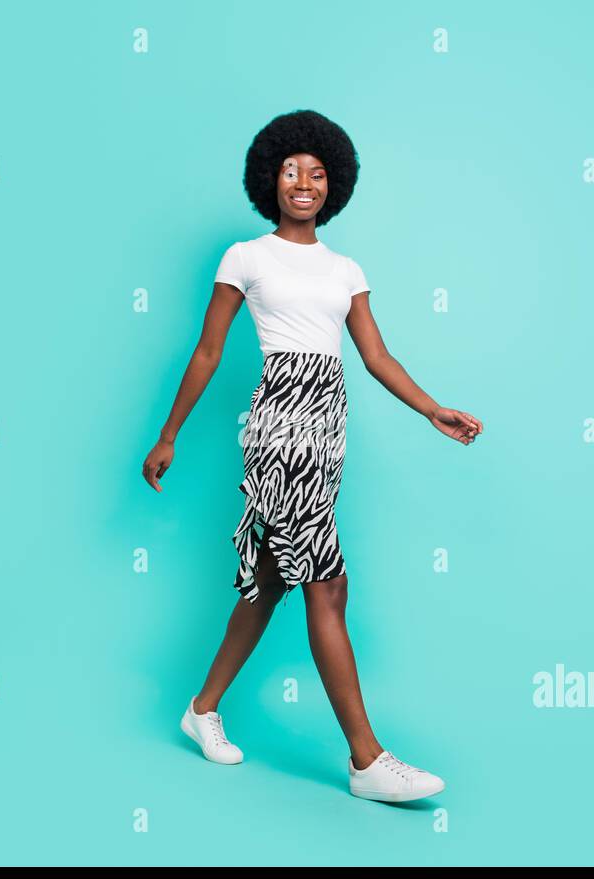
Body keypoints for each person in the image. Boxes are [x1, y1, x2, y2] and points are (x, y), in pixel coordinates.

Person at [141, 109, 482, 802]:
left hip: (327, 426)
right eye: (292, 170)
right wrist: (169, 433)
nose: (304, 182)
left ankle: (202, 709)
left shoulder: (346, 268)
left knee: (271, 581)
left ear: (335, 185)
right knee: (326, 584)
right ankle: (367, 761)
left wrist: (431, 408)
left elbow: (375, 355)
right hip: (278, 428)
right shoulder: (246, 256)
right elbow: (208, 350)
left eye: (318, 173)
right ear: (271, 178)